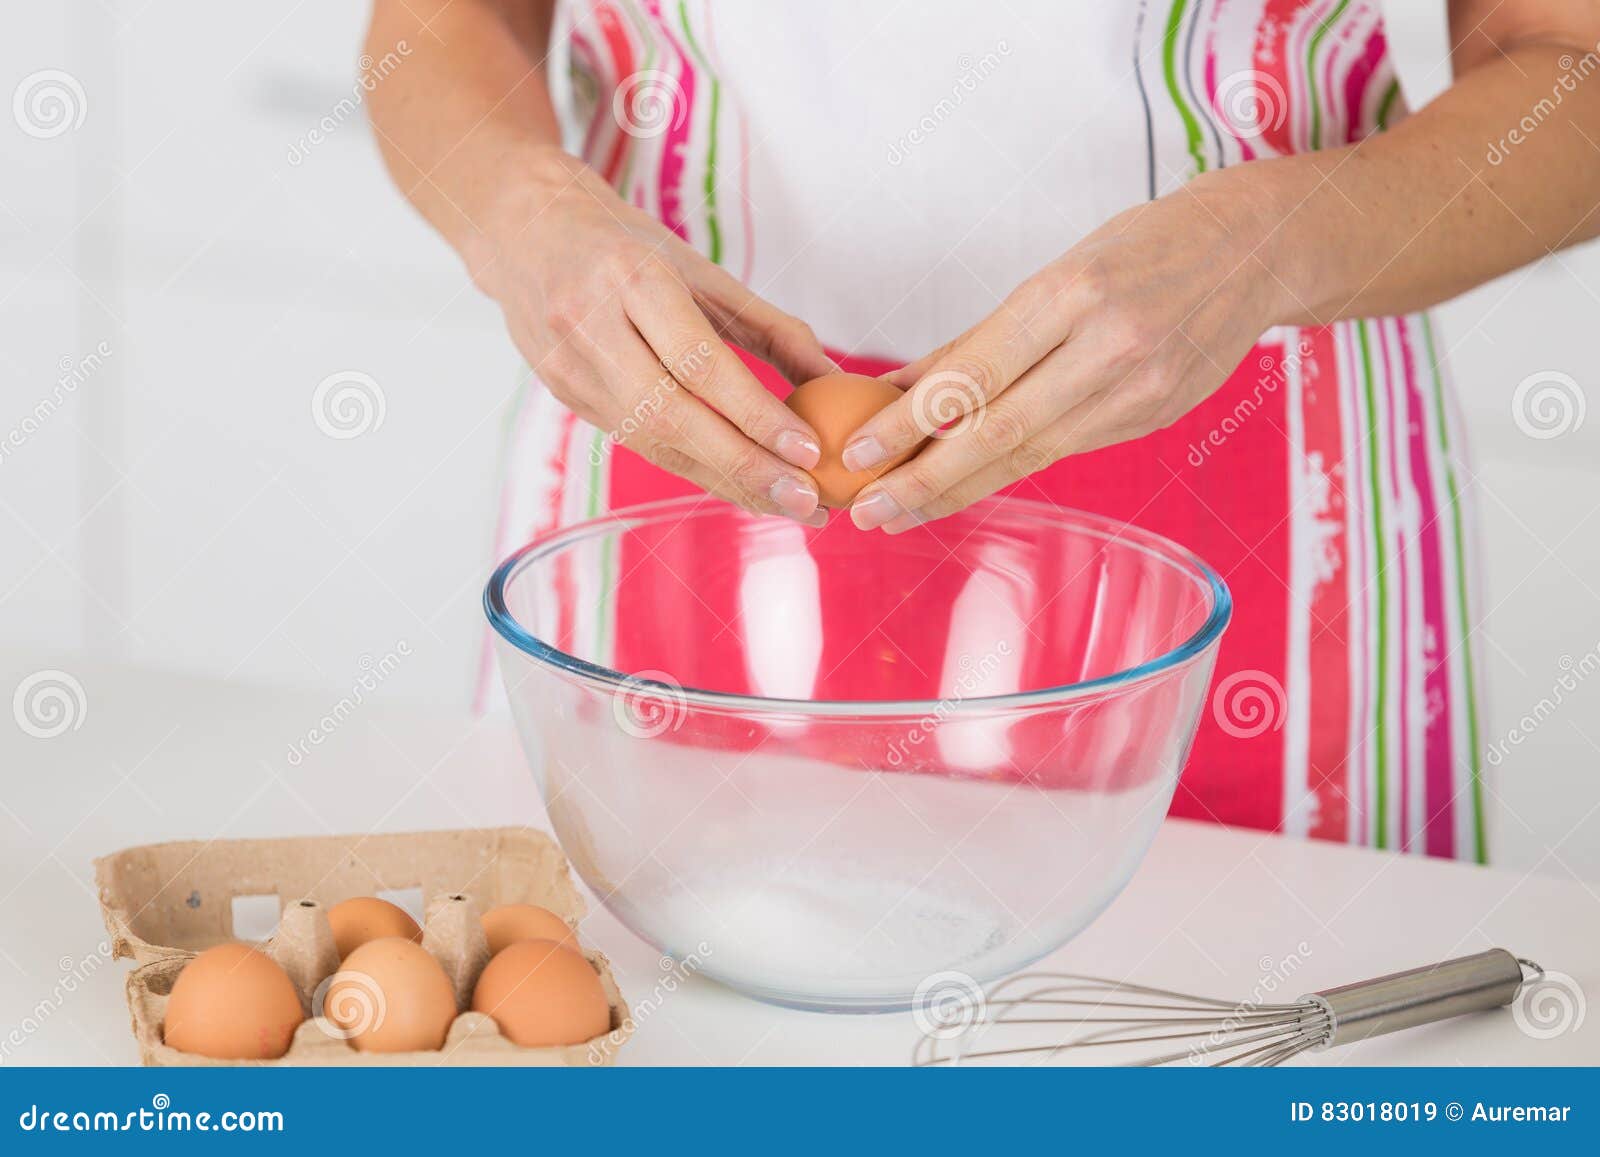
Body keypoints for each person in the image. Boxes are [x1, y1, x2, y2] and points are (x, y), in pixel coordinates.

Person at [366, 0, 1600, 861]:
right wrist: (519, 213)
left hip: (1249, 455)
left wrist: (1270, 243)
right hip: (684, 446)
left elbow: (1573, 60)